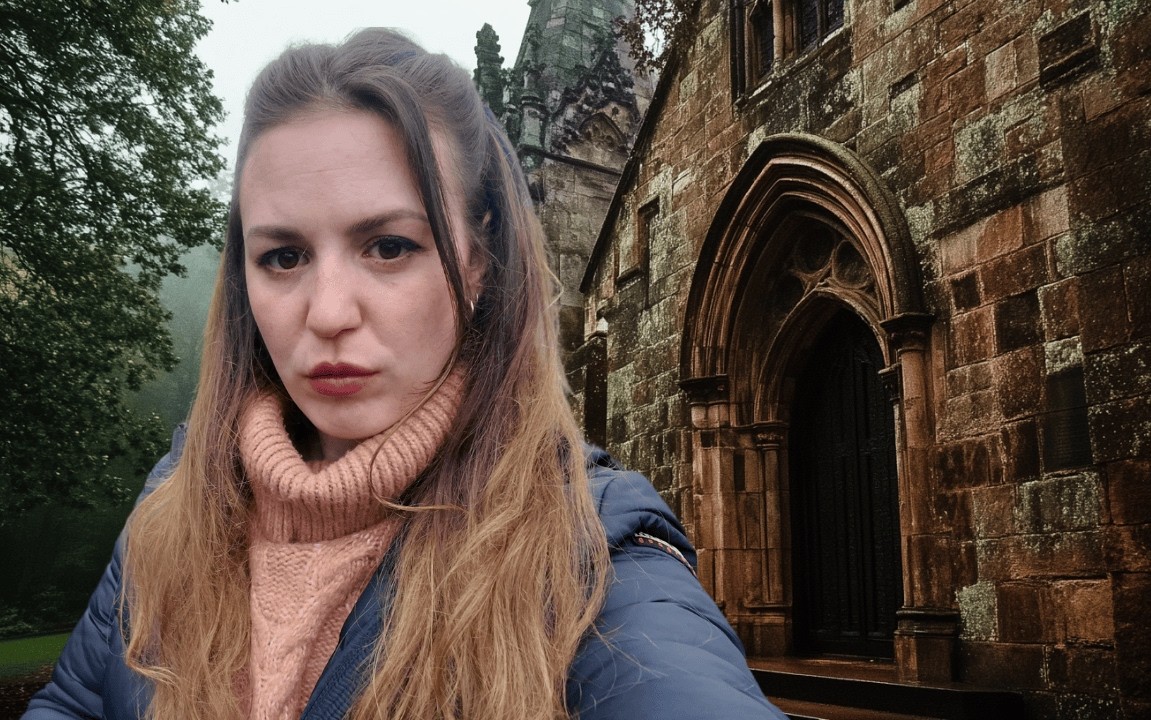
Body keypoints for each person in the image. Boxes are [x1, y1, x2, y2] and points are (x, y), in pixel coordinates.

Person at [22, 28, 785, 720]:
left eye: (388, 246)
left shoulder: (595, 554)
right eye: (282, 256)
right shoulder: (173, 506)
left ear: (479, 262)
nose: (327, 313)